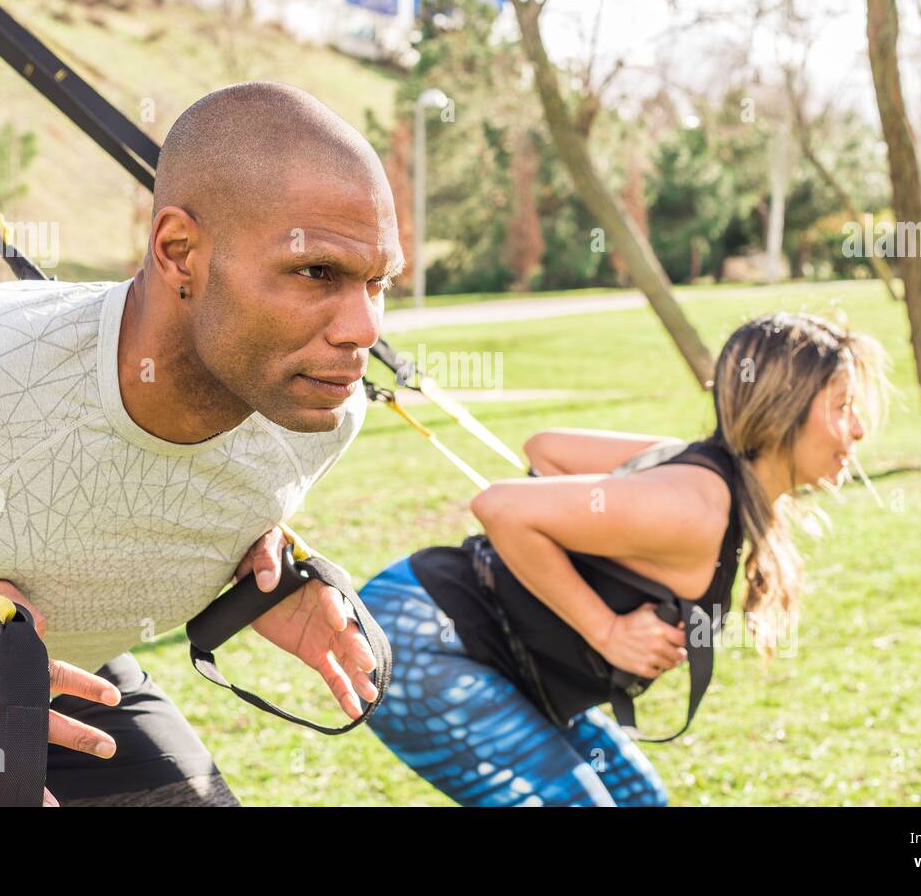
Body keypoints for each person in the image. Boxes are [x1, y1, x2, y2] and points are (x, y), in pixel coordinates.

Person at [0, 82, 401, 807]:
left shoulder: (317, 415)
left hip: (38, 684)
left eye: (378, 282)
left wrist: (246, 560)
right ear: (180, 252)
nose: (364, 329)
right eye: (317, 273)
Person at [358, 312, 889, 806]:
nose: (858, 429)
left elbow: (546, 449)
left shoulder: (693, 474)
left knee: (641, 800)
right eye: (841, 408)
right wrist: (607, 630)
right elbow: (499, 507)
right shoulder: (693, 506)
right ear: (781, 412)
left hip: (491, 651)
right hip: (417, 640)